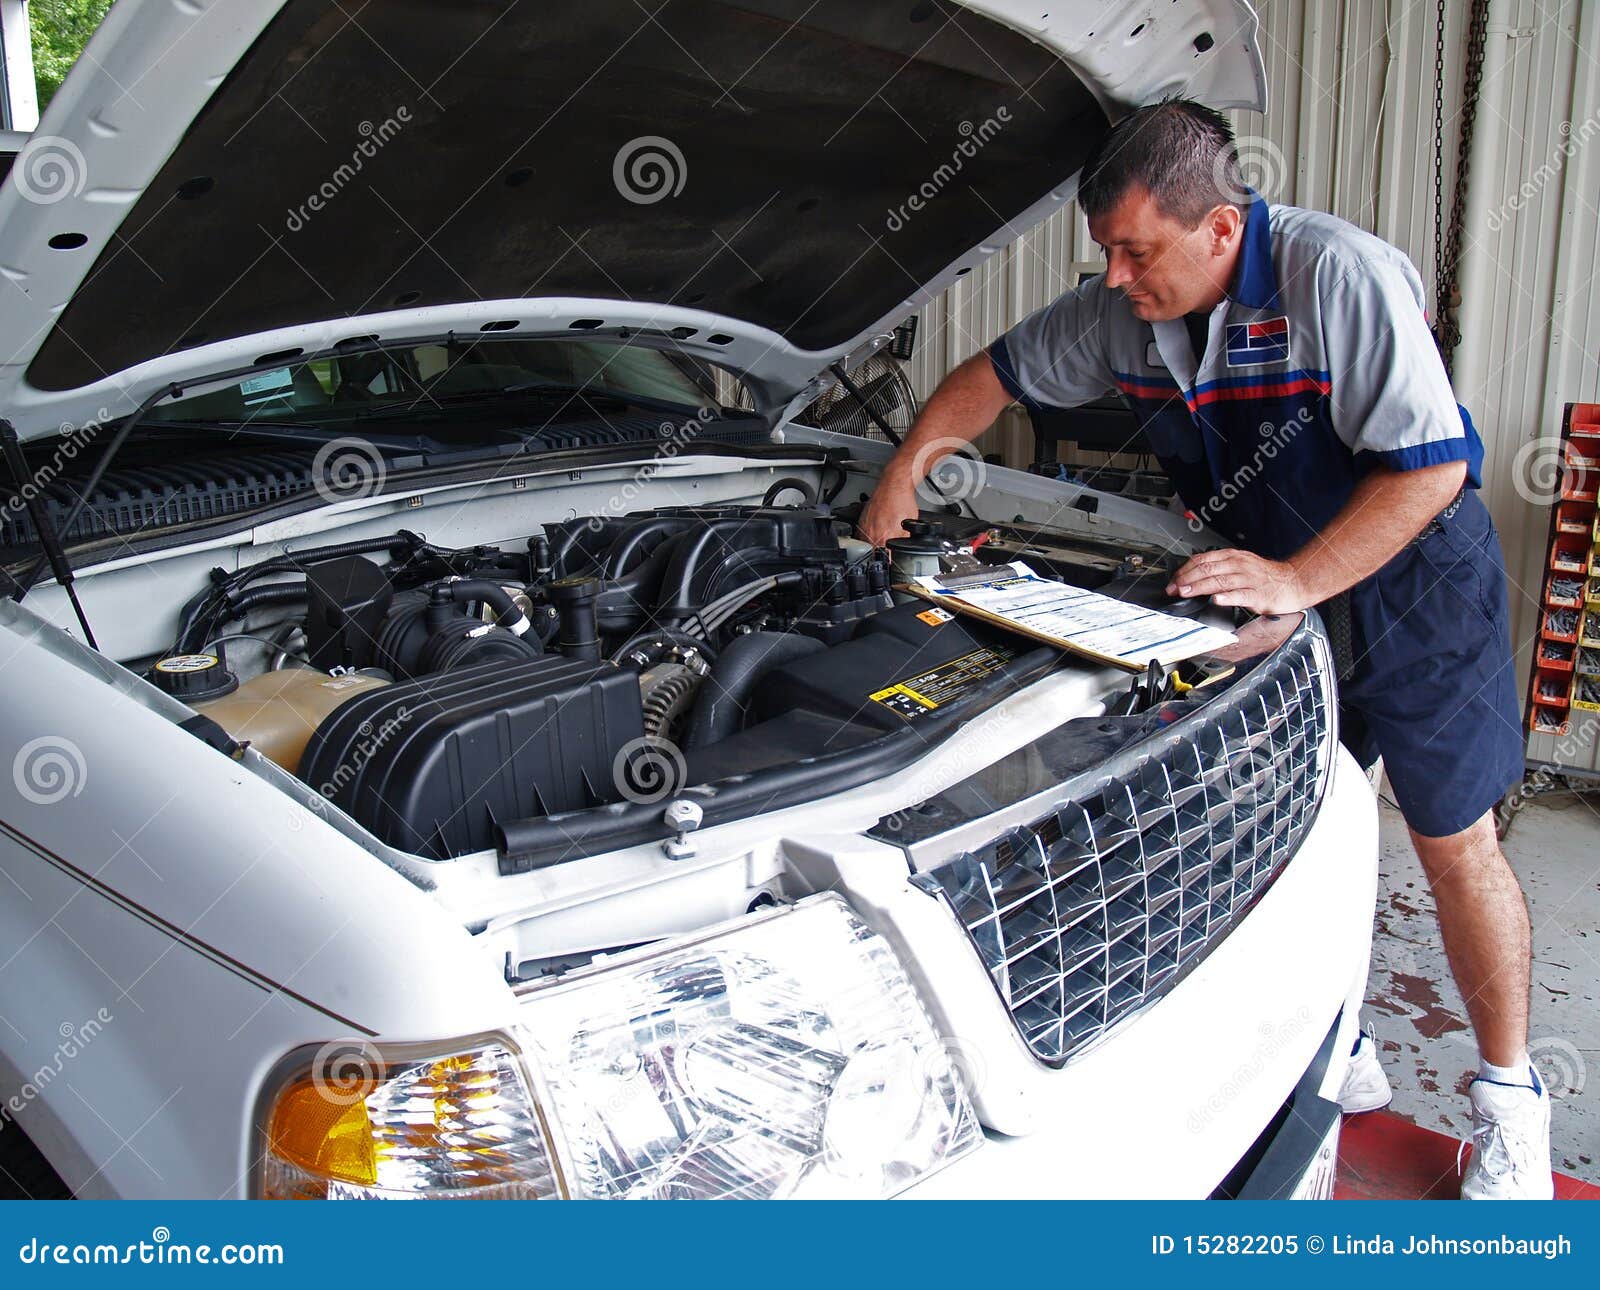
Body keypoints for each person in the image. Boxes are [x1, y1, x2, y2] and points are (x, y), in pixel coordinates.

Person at [858, 100, 1551, 1199]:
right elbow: (987, 379)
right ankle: (1339, 1034)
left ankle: (1512, 1102)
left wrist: (1297, 583)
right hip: (1274, 592)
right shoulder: (1119, 314)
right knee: (1301, 815)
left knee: (1449, 837)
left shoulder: (1339, 277)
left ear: (1222, 229)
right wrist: (903, 478)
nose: (1118, 276)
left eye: (1137, 251)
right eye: (1106, 253)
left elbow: (1425, 470)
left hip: (1411, 580)